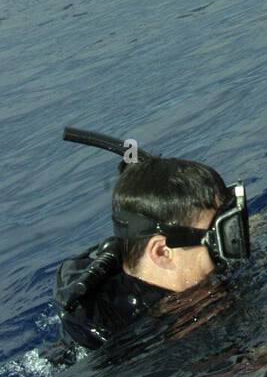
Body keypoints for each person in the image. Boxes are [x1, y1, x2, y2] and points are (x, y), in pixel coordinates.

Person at [52, 128, 250, 358]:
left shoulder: (178, 266)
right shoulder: (155, 337)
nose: (238, 246)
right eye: (222, 237)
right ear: (163, 252)